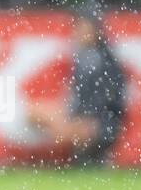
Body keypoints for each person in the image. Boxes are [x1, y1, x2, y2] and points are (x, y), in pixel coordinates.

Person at [27, 9, 128, 164]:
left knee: (60, 126)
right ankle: (72, 155)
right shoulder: (84, 56)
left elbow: (110, 101)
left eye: (82, 28)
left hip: (99, 123)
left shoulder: (104, 61)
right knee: (34, 112)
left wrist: (84, 118)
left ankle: (79, 157)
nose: (78, 32)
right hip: (82, 116)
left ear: (95, 31)